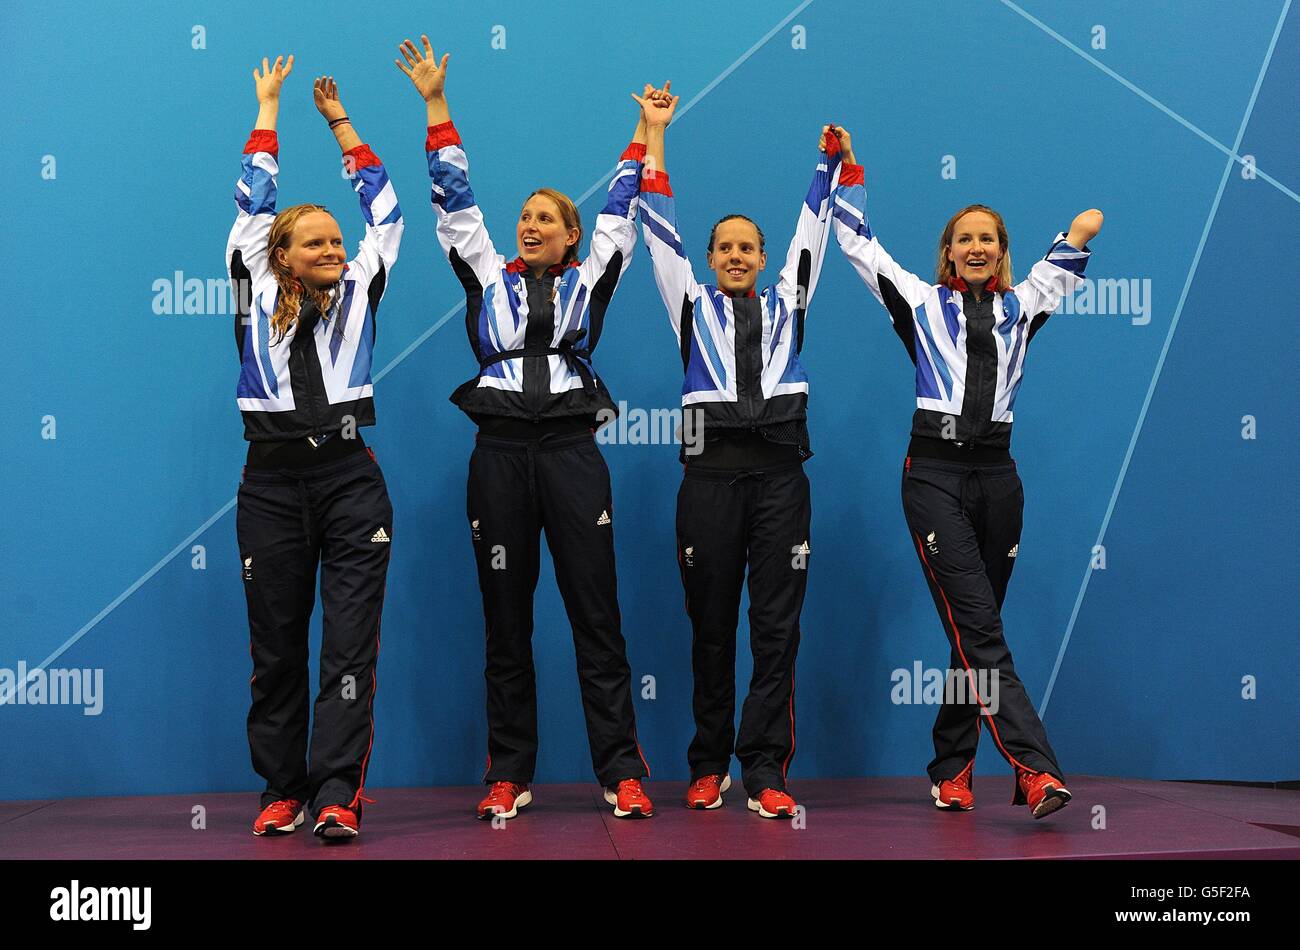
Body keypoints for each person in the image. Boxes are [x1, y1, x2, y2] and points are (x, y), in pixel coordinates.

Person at [395, 36, 653, 819]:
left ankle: (621, 773)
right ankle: (508, 773)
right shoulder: (483, 273)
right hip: (500, 455)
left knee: (595, 616)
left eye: (547, 218)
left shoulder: (591, 279)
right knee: (505, 621)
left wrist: (647, 131)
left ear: (572, 237)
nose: (531, 224)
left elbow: (622, 208)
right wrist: (435, 102)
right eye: (526, 217)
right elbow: (454, 199)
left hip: (573, 455)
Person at [827, 124, 1102, 819]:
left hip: (999, 481)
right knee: (979, 627)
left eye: (989, 239)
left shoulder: (1024, 304)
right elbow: (858, 245)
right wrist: (850, 172)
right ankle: (1034, 770)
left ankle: (951, 768)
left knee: (972, 631)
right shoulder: (918, 304)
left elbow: (1066, 253)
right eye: (964, 238)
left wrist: (1078, 232)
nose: (976, 246)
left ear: (1003, 254)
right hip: (934, 478)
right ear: (947, 252)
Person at [634, 84, 842, 819]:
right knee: (712, 625)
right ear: (711, 258)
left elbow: (813, 228)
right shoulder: (687, 302)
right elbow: (657, 224)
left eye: (746, 248)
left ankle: (764, 771)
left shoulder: (792, 298)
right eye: (723, 247)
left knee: (776, 629)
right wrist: (655, 134)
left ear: (762, 258)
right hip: (709, 479)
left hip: (783, 480)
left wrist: (829, 162)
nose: (734, 256)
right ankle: (707, 763)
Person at [228, 56, 403, 839]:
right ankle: (282, 790)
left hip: (347, 478)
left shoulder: (363, 285)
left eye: (338, 239)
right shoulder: (250, 282)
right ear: (281, 254)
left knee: (347, 650)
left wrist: (342, 125)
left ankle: (337, 794)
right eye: (317, 241)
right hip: (269, 484)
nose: (336, 249)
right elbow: (254, 198)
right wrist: (267, 107)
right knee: (276, 650)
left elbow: (388, 214)